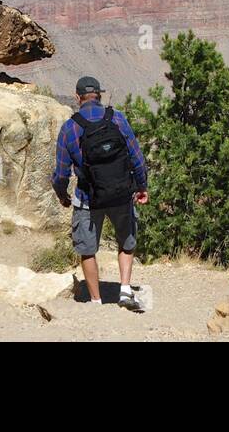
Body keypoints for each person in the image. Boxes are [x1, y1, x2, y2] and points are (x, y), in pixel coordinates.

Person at [51, 74, 149, 309]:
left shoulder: (69, 128)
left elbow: (62, 173)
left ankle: (95, 300)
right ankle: (125, 290)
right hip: (120, 194)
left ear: (77, 97)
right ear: (100, 95)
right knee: (126, 241)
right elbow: (137, 158)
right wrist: (141, 186)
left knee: (88, 249)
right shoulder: (117, 119)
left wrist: (62, 195)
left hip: (87, 198)